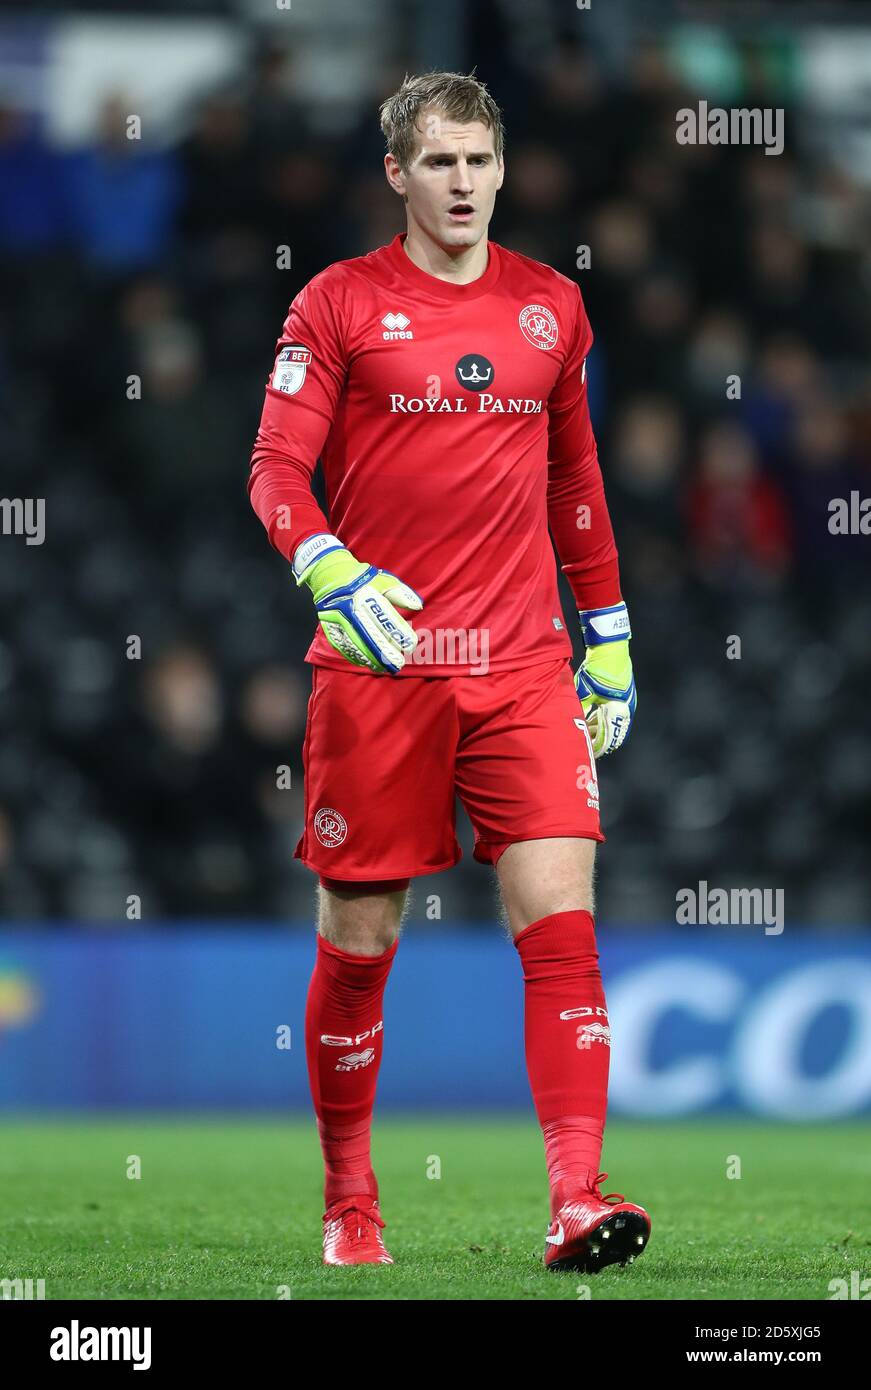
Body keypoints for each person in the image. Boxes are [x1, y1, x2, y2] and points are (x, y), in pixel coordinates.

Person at [248, 70, 649, 1273]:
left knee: (561, 921)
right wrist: (328, 567)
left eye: (479, 161)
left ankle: (575, 1198)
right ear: (397, 174)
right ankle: (350, 1202)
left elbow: (575, 480)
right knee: (361, 940)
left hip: (525, 666)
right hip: (382, 668)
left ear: (503, 168)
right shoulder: (338, 304)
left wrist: (611, 632)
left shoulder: (551, 308)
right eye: (439, 163)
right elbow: (274, 468)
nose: (463, 183)